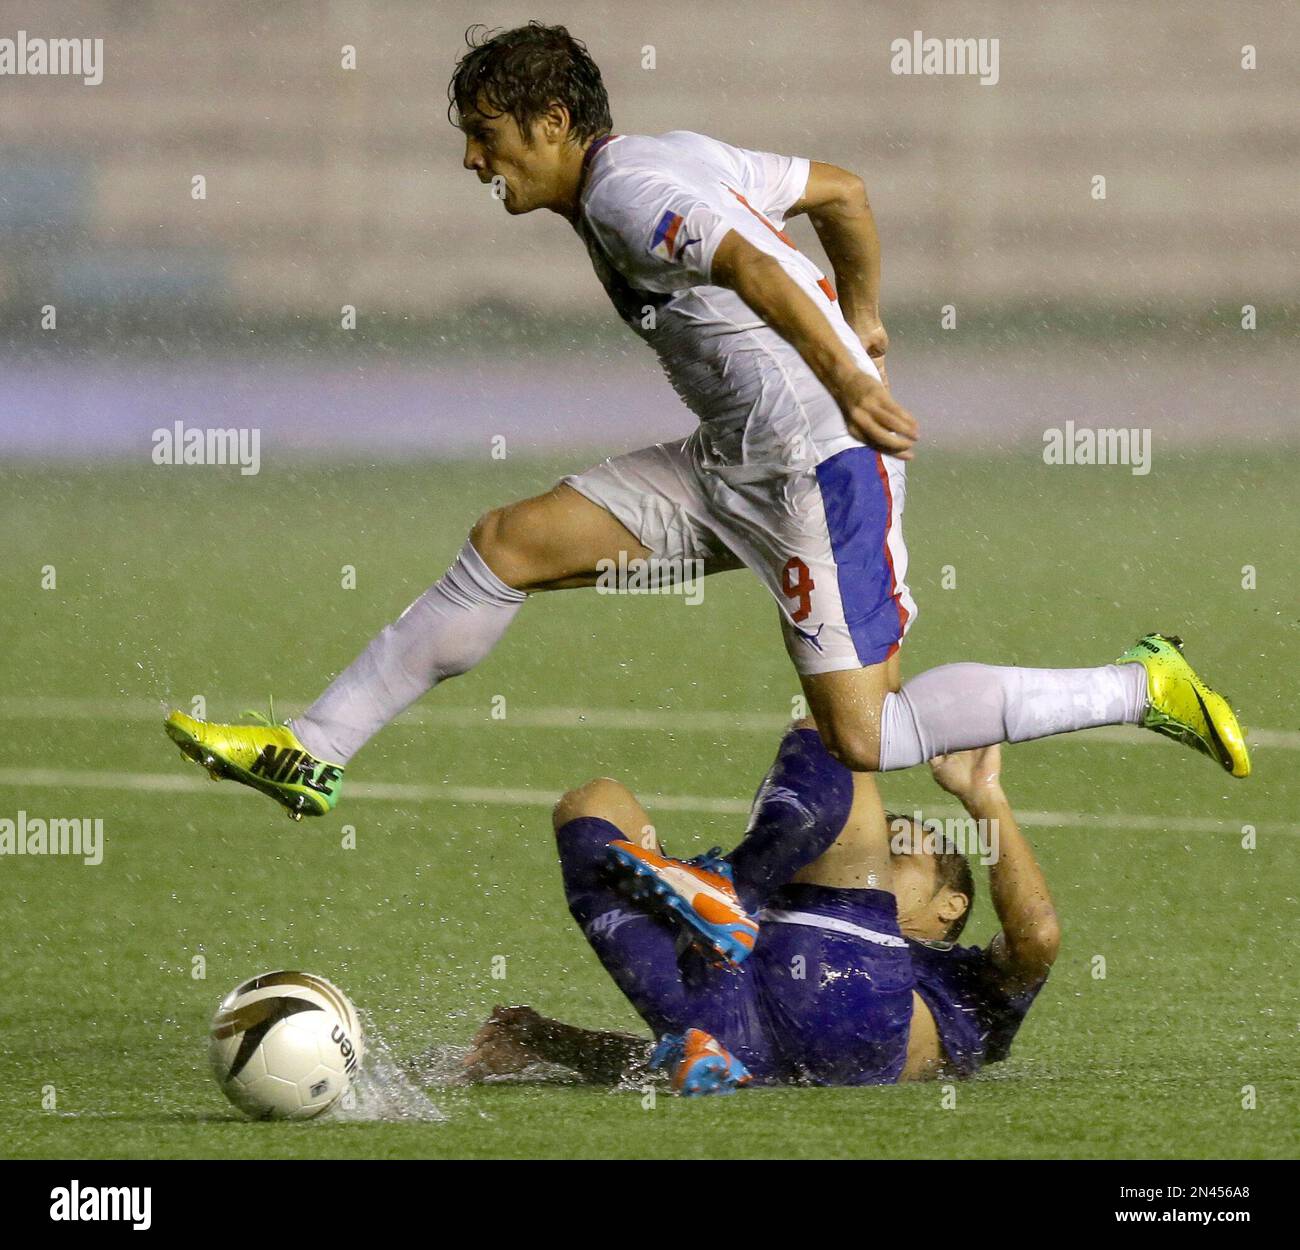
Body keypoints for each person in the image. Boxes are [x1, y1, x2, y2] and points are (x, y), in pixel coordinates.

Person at [162, 24, 1248, 818]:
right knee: (508, 545)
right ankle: (310, 748)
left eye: (487, 136)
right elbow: (844, 192)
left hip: (817, 470)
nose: (472, 162)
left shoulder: (633, 192)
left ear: (552, 121)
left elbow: (744, 264)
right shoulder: (672, 154)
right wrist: (863, 316)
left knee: (862, 735)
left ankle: (1141, 683)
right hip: (733, 460)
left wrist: (847, 374)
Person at [463, 723, 1057, 1095]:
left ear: (952, 906)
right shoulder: (768, 927)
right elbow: (681, 1058)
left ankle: (729, 889)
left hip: (857, 1013)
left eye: (899, 849)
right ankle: (725, 896)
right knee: (594, 804)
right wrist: (551, 1041)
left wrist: (984, 796)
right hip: (731, 1041)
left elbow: (1038, 934)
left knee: (836, 735)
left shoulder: (969, 985)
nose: (880, 842)